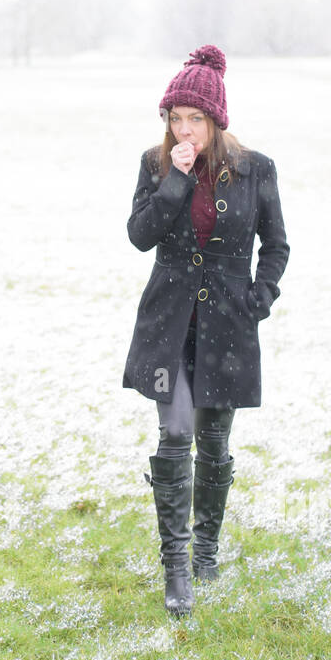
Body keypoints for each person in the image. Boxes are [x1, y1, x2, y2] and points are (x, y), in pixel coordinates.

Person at [122, 44, 290, 617]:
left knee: (214, 443)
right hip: (168, 323)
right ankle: (176, 565)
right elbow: (141, 235)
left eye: (195, 118)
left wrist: (258, 300)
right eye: (175, 117)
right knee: (174, 437)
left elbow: (277, 245)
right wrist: (175, 179)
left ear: (217, 119)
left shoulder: (255, 168)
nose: (184, 128)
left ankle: (207, 551)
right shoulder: (154, 164)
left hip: (228, 324)